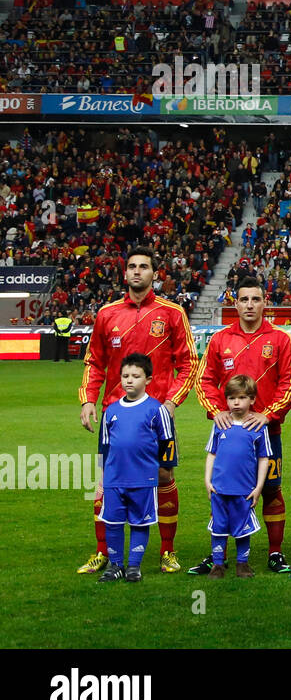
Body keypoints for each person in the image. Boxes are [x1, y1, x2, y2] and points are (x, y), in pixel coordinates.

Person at [78, 246, 198, 575]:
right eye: (131, 266)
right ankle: (104, 552)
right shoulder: (107, 314)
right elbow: (95, 362)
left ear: (154, 274)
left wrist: (172, 401)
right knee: (105, 480)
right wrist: (88, 398)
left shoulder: (173, 313)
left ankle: (167, 550)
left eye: (143, 267)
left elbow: (189, 363)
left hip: (156, 414)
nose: (136, 272)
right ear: (125, 272)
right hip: (114, 415)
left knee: (163, 476)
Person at [188, 276, 291, 575]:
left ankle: (275, 554)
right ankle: (218, 556)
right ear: (235, 303)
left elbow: (290, 383)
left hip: (266, 433)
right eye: (244, 299)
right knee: (223, 492)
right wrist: (216, 410)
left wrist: (268, 414)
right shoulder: (220, 339)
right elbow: (205, 380)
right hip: (228, 434)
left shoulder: (280, 339)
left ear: (265, 302)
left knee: (271, 490)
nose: (250, 305)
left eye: (256, 299)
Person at [95, 353, 176, 583]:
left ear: (148, 379)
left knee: (141, 522)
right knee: (112, 522)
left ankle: (133, 566)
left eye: (135, 376)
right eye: (125, 376)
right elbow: (104, 447)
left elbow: (167, 442)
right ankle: (115, 565)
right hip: (114, 479)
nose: (129, 380)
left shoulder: (156, 409)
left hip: (143, 479)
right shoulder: (110, 411)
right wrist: (100, 478)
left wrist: (166, 469)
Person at [203, 374, 273, 579]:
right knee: (218, 528)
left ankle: (242, 564)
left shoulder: (258, 428)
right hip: (220, 488)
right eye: (232, 398)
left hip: (244, 489)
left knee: (243, 529)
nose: (236, 402)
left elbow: (263, 459)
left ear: (252, 399)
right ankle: (217, 565)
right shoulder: (220, 424)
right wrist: (207, 481)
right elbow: (211, 454)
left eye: (241, 397)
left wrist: (259, 486)